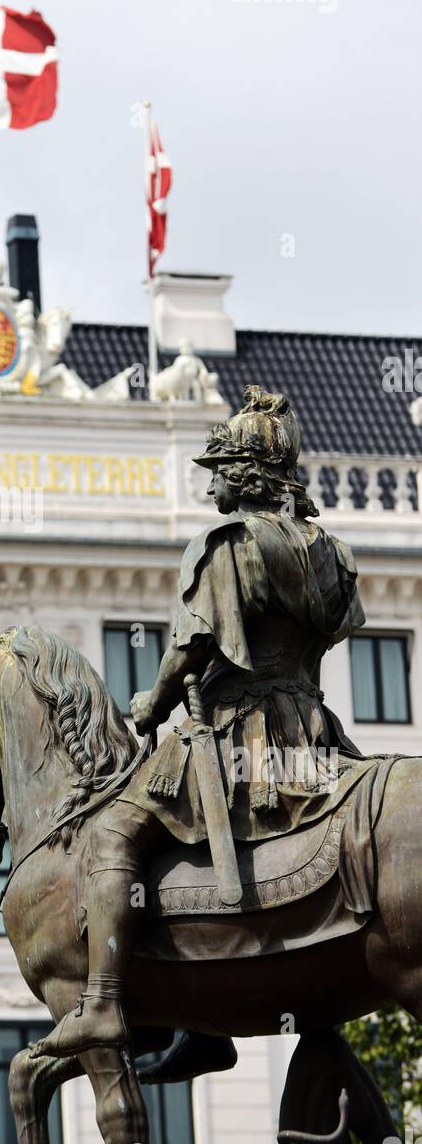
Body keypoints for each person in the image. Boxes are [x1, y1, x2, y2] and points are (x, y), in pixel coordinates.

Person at [31, 386, 367, 1075]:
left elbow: (192, 644)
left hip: (235, 730)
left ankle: (100, 1000)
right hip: (311, 732)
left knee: (113, 832)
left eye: (218, 467)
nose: (210, 480)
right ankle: (200, 1021)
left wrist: (151, 705)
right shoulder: (331, 551)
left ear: (242, 474)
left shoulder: (227, 544)